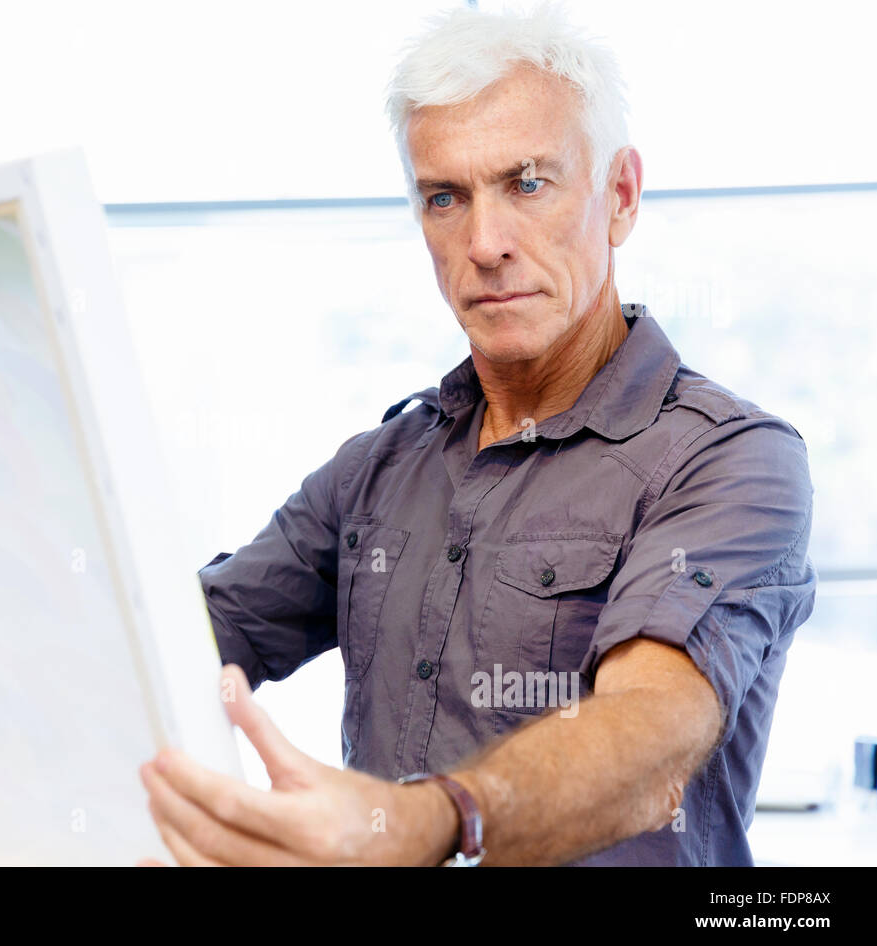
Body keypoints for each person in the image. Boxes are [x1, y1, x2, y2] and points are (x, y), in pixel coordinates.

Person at [137, 3, 816, 865]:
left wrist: (430, 824)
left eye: (528, 183)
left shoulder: (730, 459)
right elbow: (177, 640)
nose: (485, 244)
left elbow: (650, 736)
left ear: (620, 195)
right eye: (445, 197)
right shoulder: (378, 470)